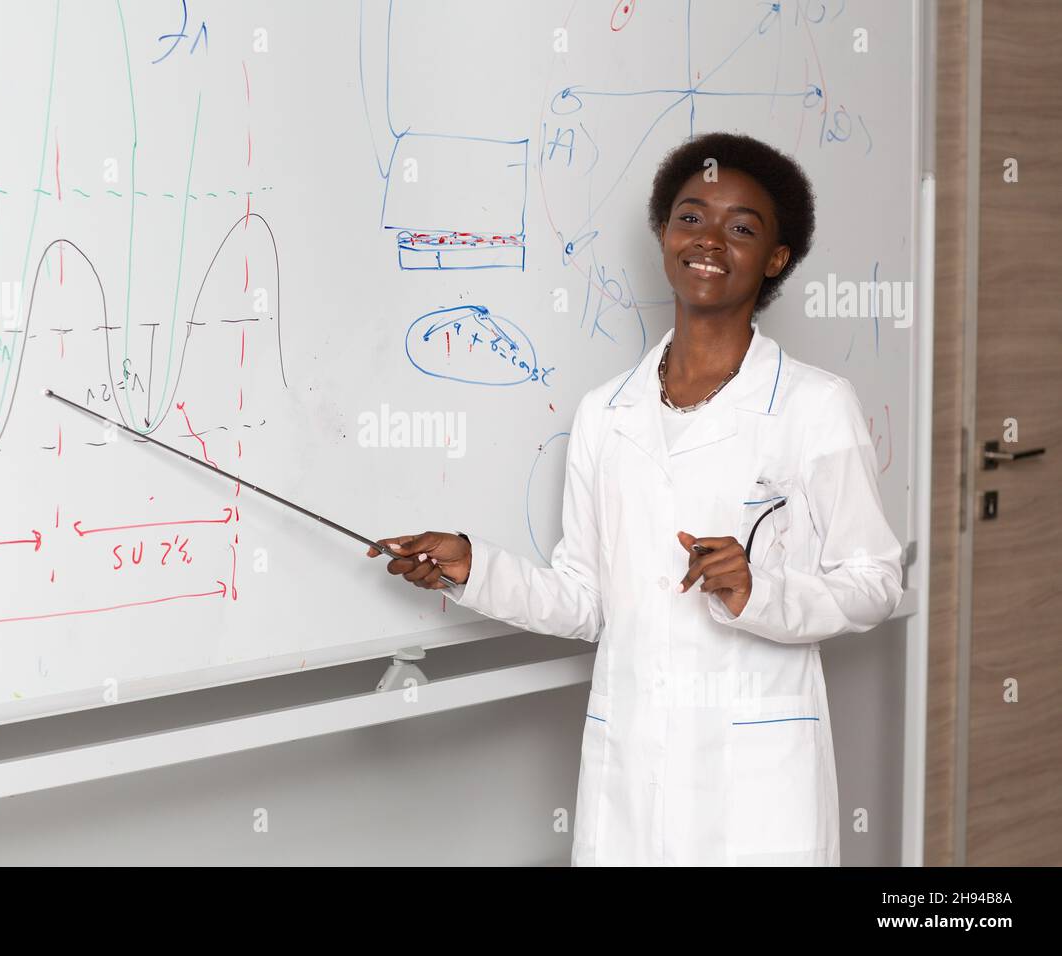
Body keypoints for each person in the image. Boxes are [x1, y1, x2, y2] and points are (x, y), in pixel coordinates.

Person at [367, 131, 904, 866]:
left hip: (756, 778)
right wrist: (472, 567)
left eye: (742, 227)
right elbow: (588, 601)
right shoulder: (605, 413)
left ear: (777, 259)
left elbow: (876, 581)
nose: (710, 239)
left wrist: (762, 591)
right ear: (663, 232)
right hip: (634, 774)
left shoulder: (815, 406)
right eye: (691, 217)